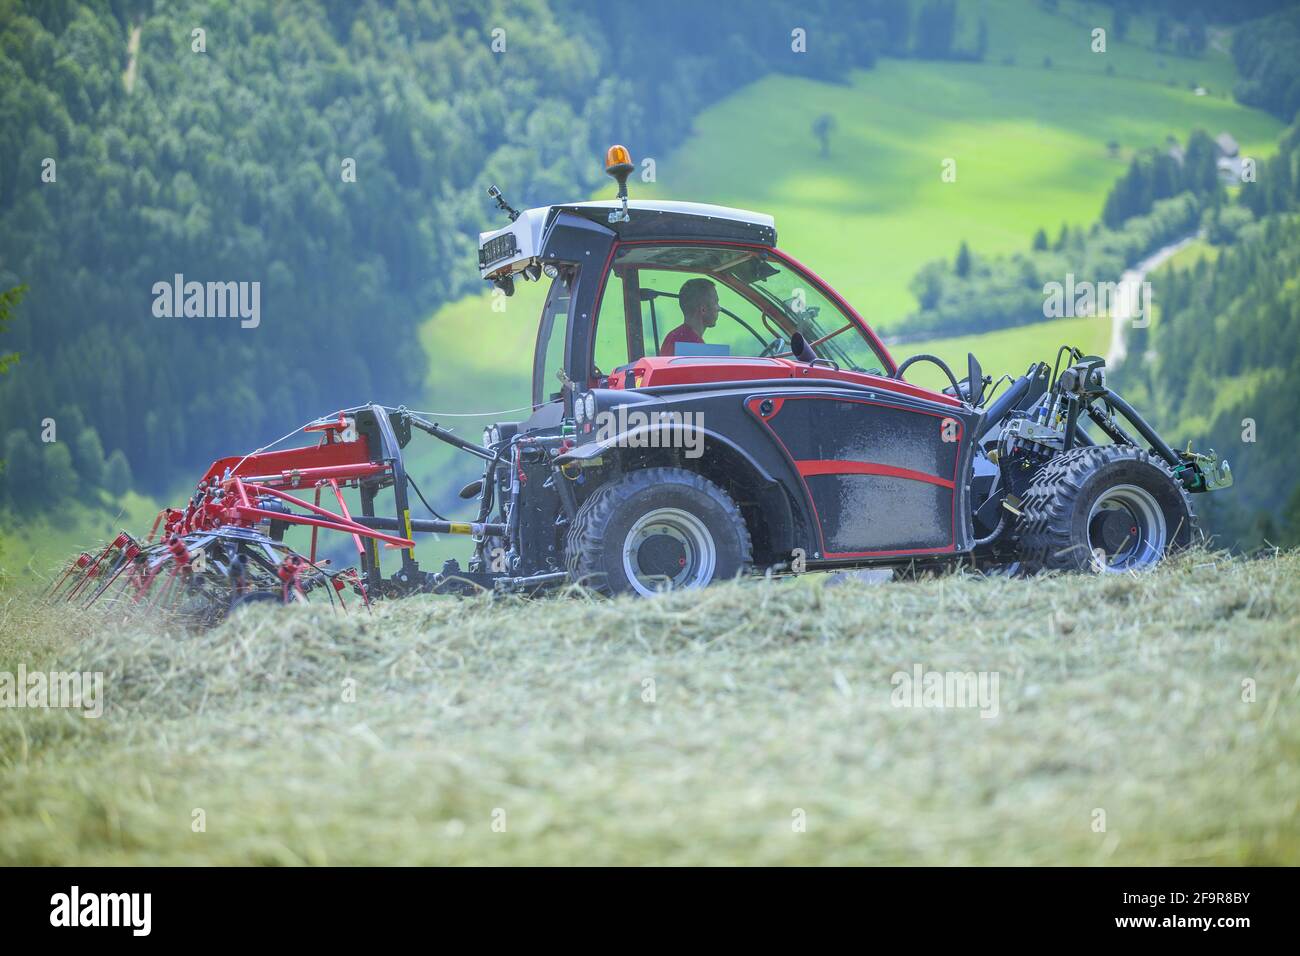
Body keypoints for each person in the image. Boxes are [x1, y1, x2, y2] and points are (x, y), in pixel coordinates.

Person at [659, 278, 720, 355]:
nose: (719, 308)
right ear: (703, 309)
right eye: (716, 302)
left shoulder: (673, 336)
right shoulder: (694, 347)